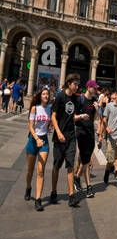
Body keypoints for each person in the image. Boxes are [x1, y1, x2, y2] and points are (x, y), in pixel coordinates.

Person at [49, 76, 84, 208]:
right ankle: (54, 191)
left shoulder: (76, 99)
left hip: (70, 136)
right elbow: (53, 116)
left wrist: (81, 116)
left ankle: (71, 195)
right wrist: (58, 132)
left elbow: (72, 116)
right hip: (59, 137)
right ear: (69, 84)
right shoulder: (60, 96)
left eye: (78, 84)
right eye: (75, 84)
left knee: (70, 165)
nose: (76, 87)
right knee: (56, 166)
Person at [26, 88, 52, 210]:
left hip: (44, 141)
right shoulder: (34, 108)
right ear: (40, 96)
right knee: (30, 170)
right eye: (44, 94)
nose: (46, 96)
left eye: (47, 94)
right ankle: (28, 187)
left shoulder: (50, 108)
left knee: (41, 170)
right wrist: (36, 139)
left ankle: (38, 199)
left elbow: (50, 124)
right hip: (33, 140)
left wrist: (51, 126)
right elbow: (31, 127)